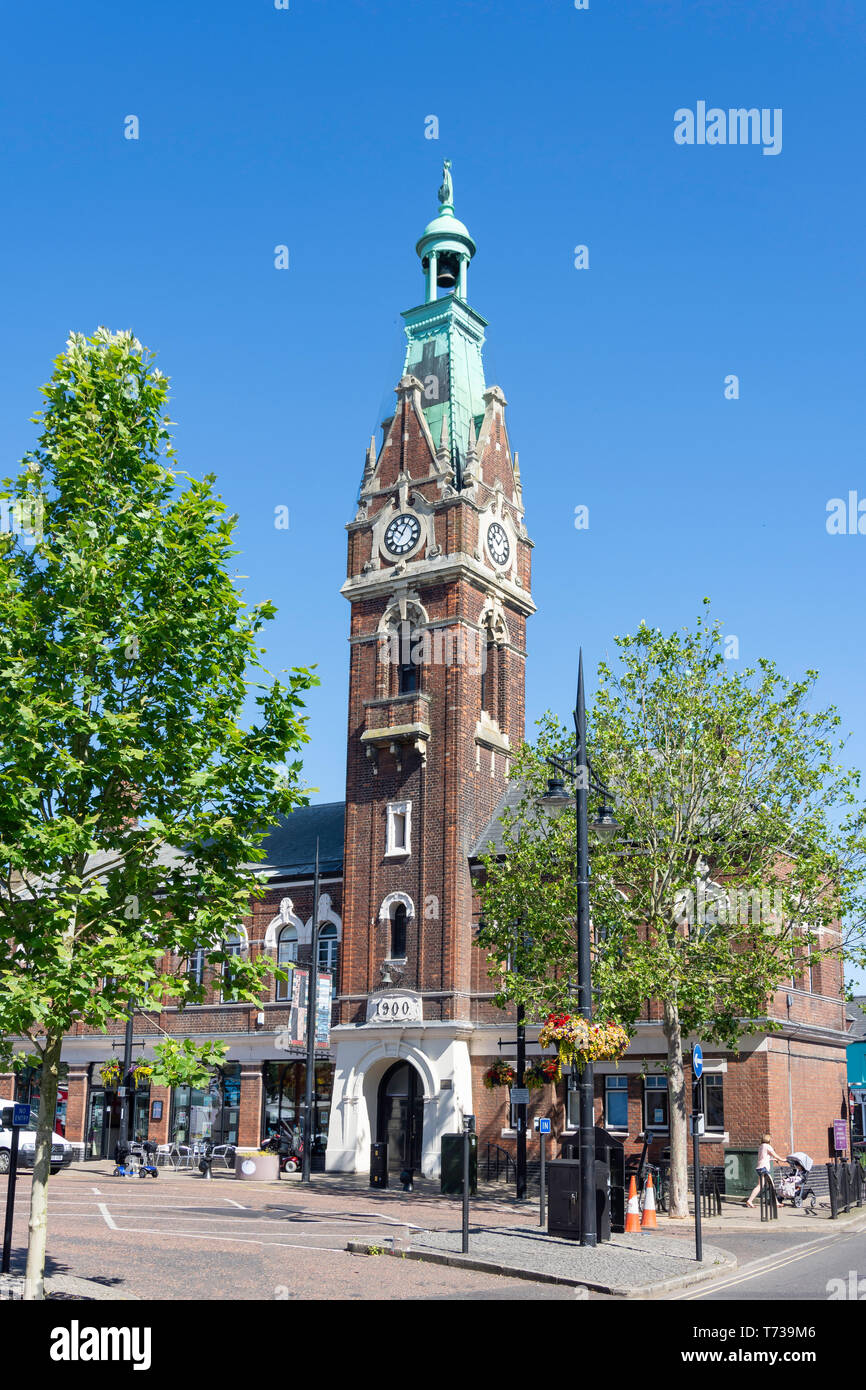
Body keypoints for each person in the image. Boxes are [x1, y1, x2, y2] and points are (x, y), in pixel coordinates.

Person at [746, 1134, 786, 1207]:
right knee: (772, 1185)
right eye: (771, 1139)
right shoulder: (768, 1146)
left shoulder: (761, 1146)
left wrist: (772, 1159)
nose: (771, 1141)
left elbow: (763, 1158)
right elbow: (775, 1155)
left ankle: (750, 1201)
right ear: (768, 1139)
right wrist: (783, 1160)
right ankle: (776, 1203)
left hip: (759, 1168)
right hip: (764, 1169)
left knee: (760, 1186)